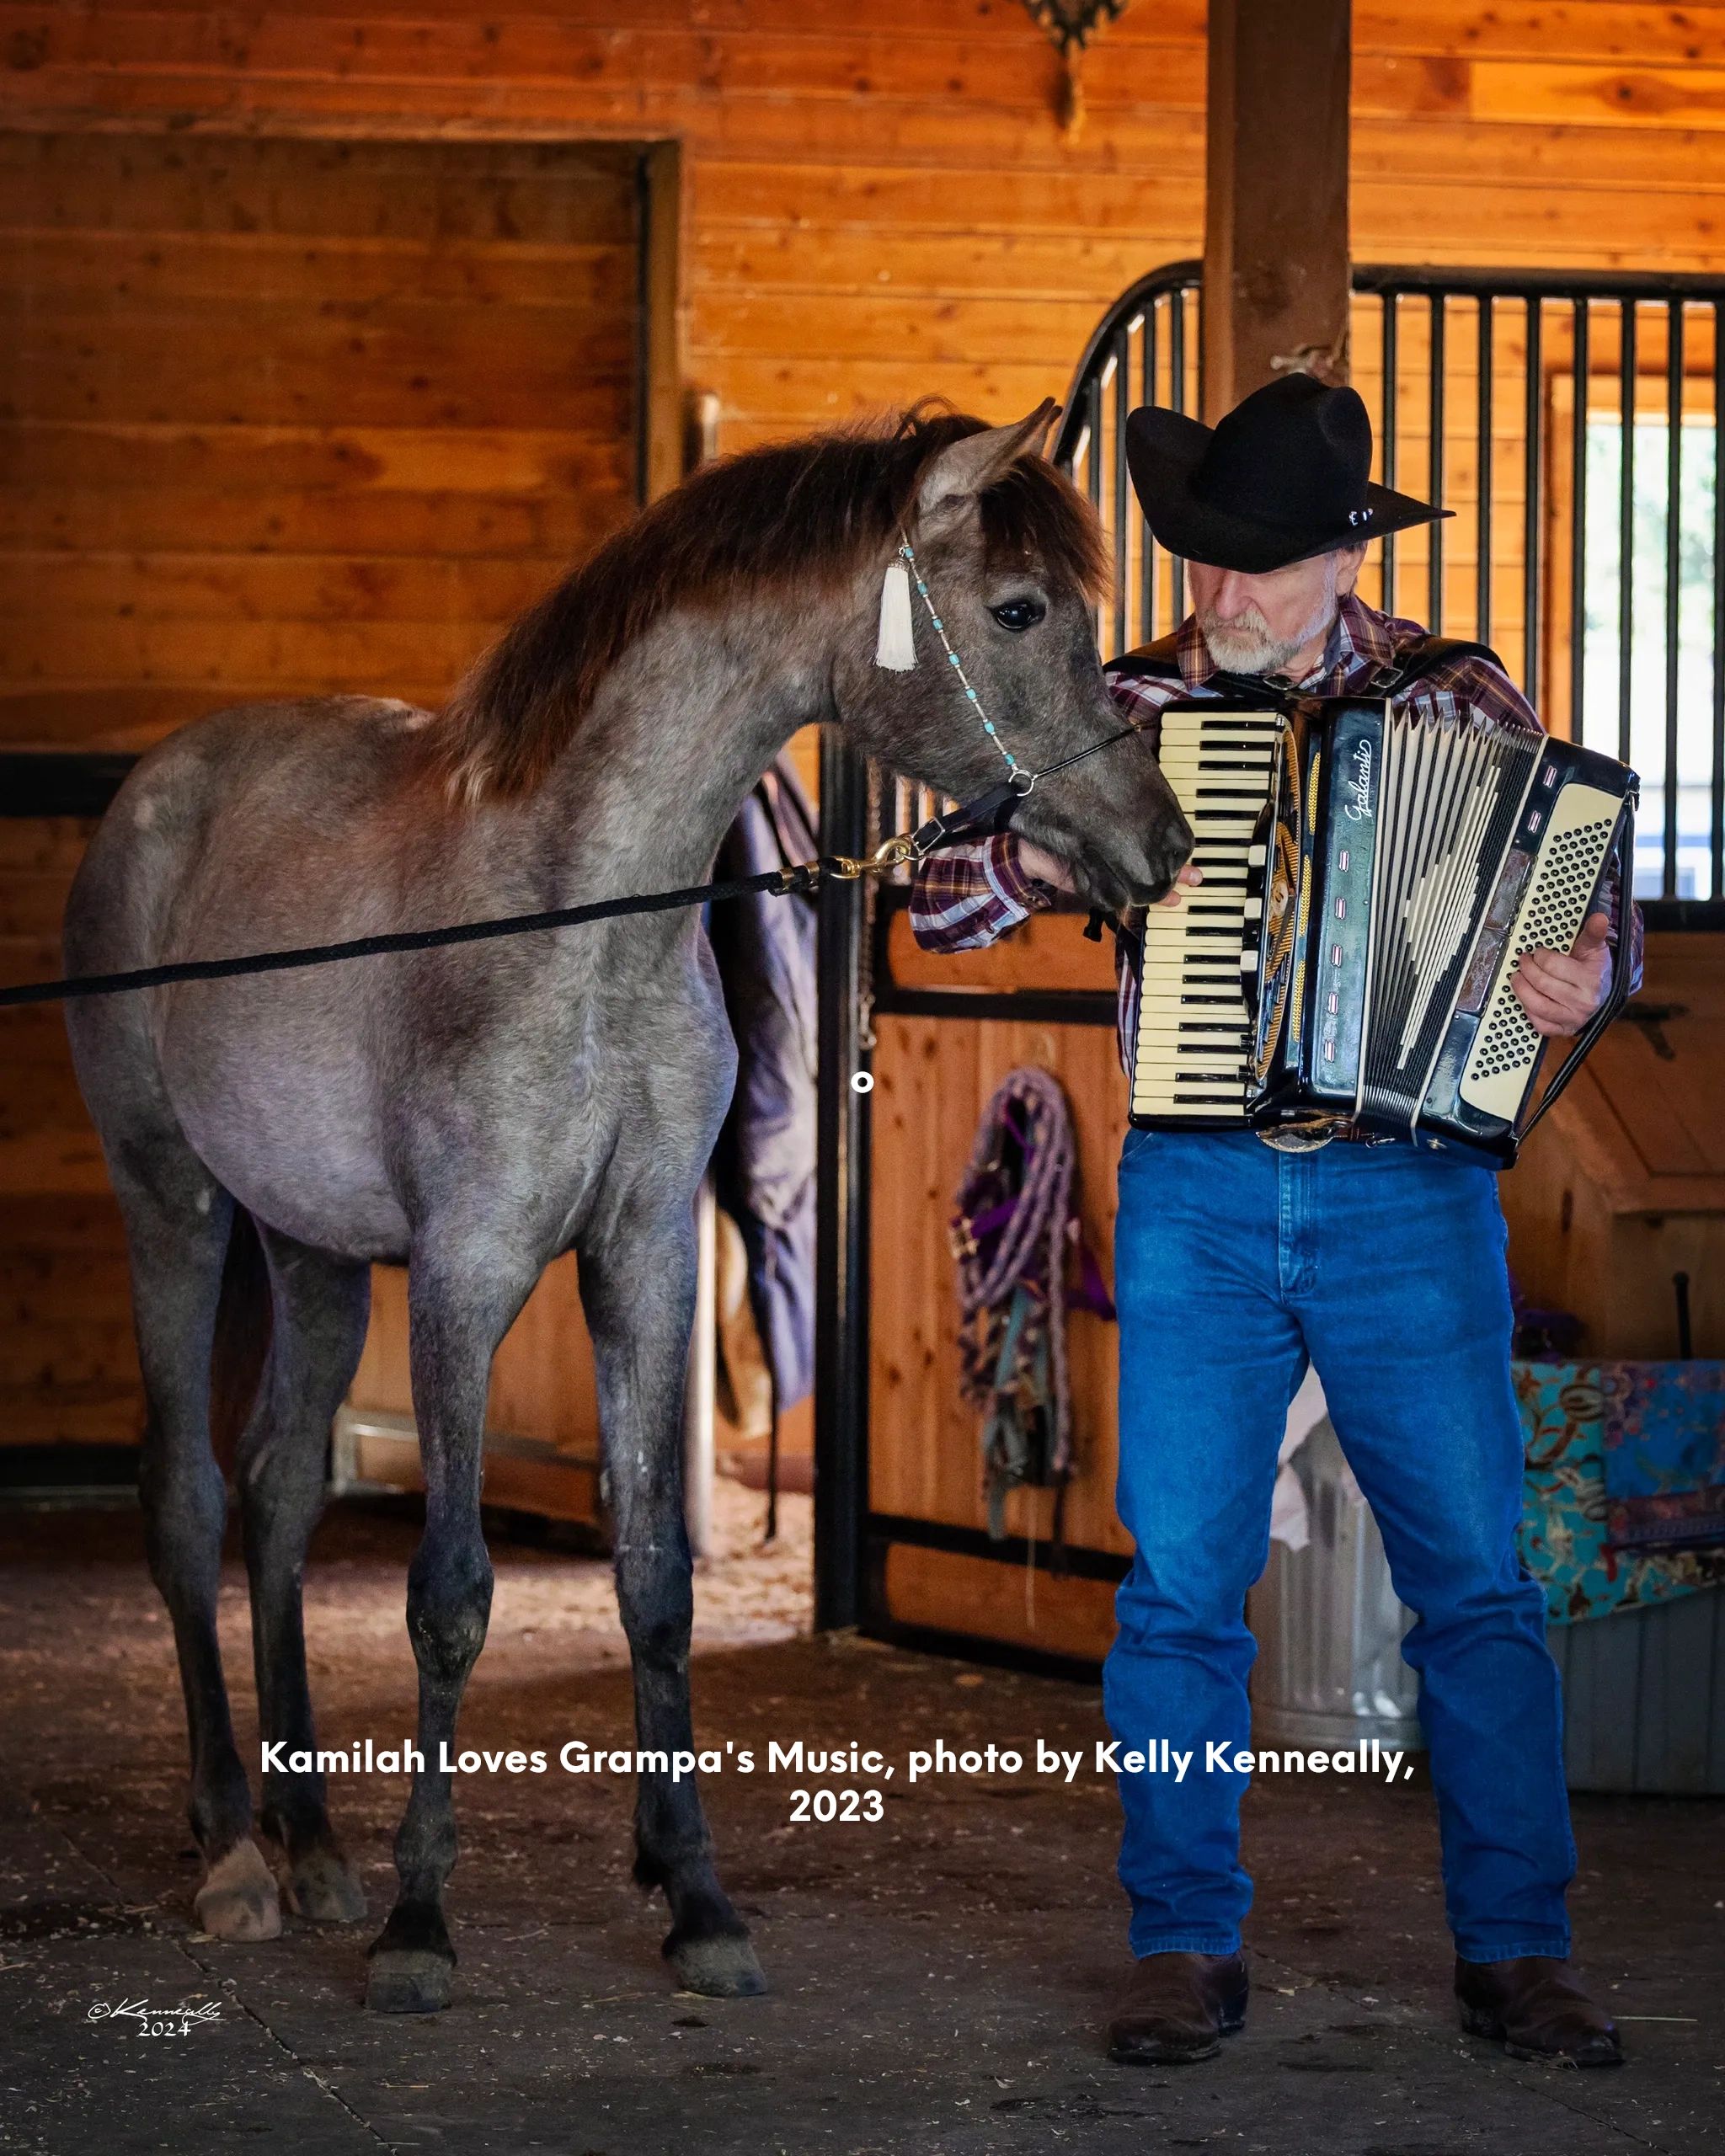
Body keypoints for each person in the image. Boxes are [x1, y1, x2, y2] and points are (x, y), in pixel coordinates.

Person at [908, 373, 1639, 2070]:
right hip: (1200, 1193)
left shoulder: (1455, 697)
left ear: (1336, 560)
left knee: (1474, 1584)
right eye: (1201, 563)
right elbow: (938, 901)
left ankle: (1520, 1945)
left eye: (1255, 569)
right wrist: (1040, 861)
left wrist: (1580, 974)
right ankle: (1181, 1938)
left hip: (1410, 1191)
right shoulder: (1128, 706)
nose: (1217, 599)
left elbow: (1581, 912)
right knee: (1176, 1585)